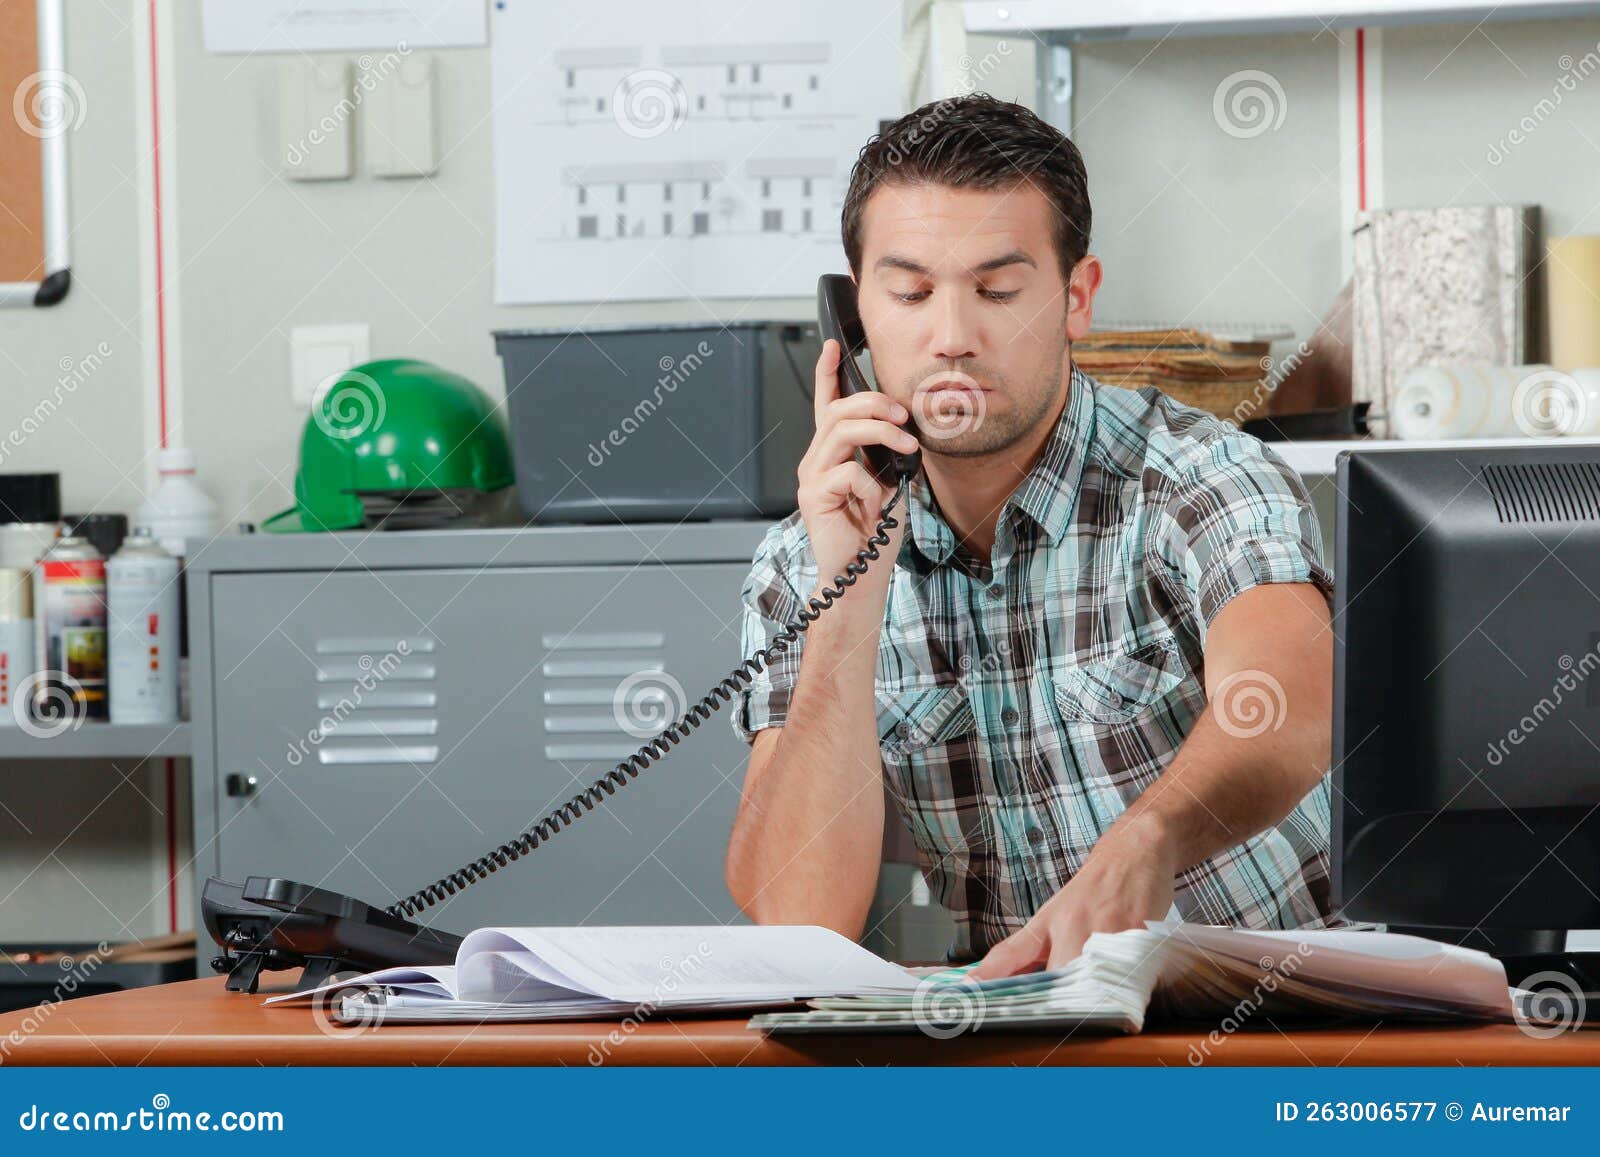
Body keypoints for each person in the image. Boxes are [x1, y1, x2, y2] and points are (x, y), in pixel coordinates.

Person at [724, 92, 1343, 976]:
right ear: (854, 316)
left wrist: (1152, 836)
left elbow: (1291, 709)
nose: (950, 337)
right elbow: (799, 909)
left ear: (1075, 297)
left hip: (1273, 1022)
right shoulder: (805, 559)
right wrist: (849, 597)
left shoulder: (1200, 479)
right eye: (908, 292)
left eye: (998, 290)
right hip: (1024, 1036)